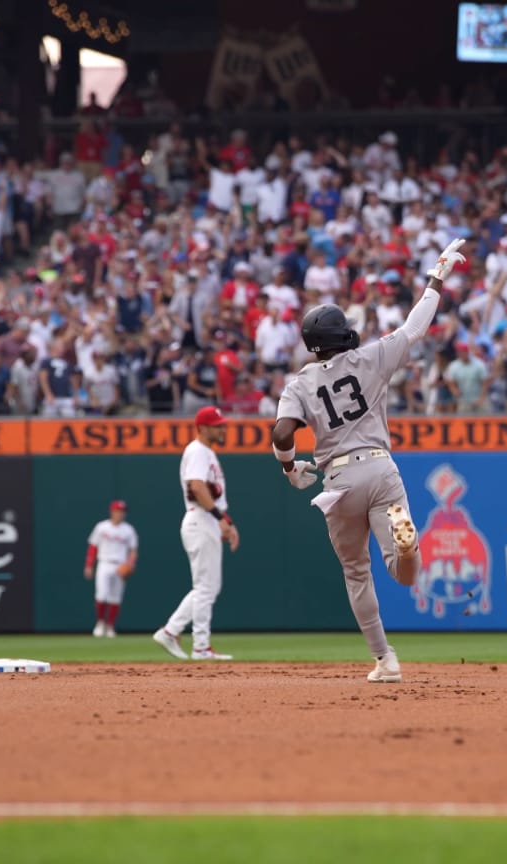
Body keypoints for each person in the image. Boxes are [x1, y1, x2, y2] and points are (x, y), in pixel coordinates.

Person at [268, 238, 468, 685]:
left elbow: (282, 433)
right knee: (403, 574)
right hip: (381, 468)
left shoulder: (298, 384)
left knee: (357, 573)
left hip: (338, 479)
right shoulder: (369, 358)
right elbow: (416, 325)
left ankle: (385, 660)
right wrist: (437, 274)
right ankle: (406, 544)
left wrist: (288, 466)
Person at [153, 406, 240, 661]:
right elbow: (196, 486)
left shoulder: (206, 452)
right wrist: (218, 518)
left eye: (223, 424)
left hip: (206, 521)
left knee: (208, 587)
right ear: (202, 428)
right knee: (205, 587)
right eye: (217, 425)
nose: (223, 428)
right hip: (200, 520)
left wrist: (224, 521)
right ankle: (198, 644)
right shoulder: (197, 450)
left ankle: (173, 632)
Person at [84, 500, 138, 638]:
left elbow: (133, 551)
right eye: (117, 511)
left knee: (116, 598)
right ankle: (100, 622)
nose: (120, 514)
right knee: (101, 595)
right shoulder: (102, 527)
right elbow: (93, 546)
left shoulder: (128, 530)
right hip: (104, 563)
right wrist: (89, 565)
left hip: (120, 565)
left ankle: (110, 626)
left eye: (122, 512)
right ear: (112, 512)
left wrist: (130, 564)